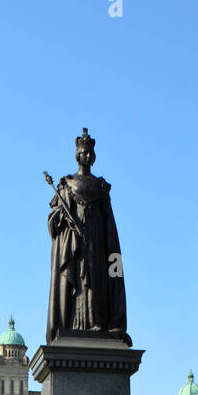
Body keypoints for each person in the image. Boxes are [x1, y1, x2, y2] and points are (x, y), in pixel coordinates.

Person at [46, 129, 127, 342]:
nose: (88, 156)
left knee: (99, 279)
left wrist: (111, 249)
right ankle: (74, 323)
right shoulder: (67, 183)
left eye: (91, 153)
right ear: (78, 155)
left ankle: (99, 322)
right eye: (84, 152)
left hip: (99, 242)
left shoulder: (101, 186)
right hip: (75, 244)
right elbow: (54, 222)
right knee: (78, 280)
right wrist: (63, 217)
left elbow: (109, 221)